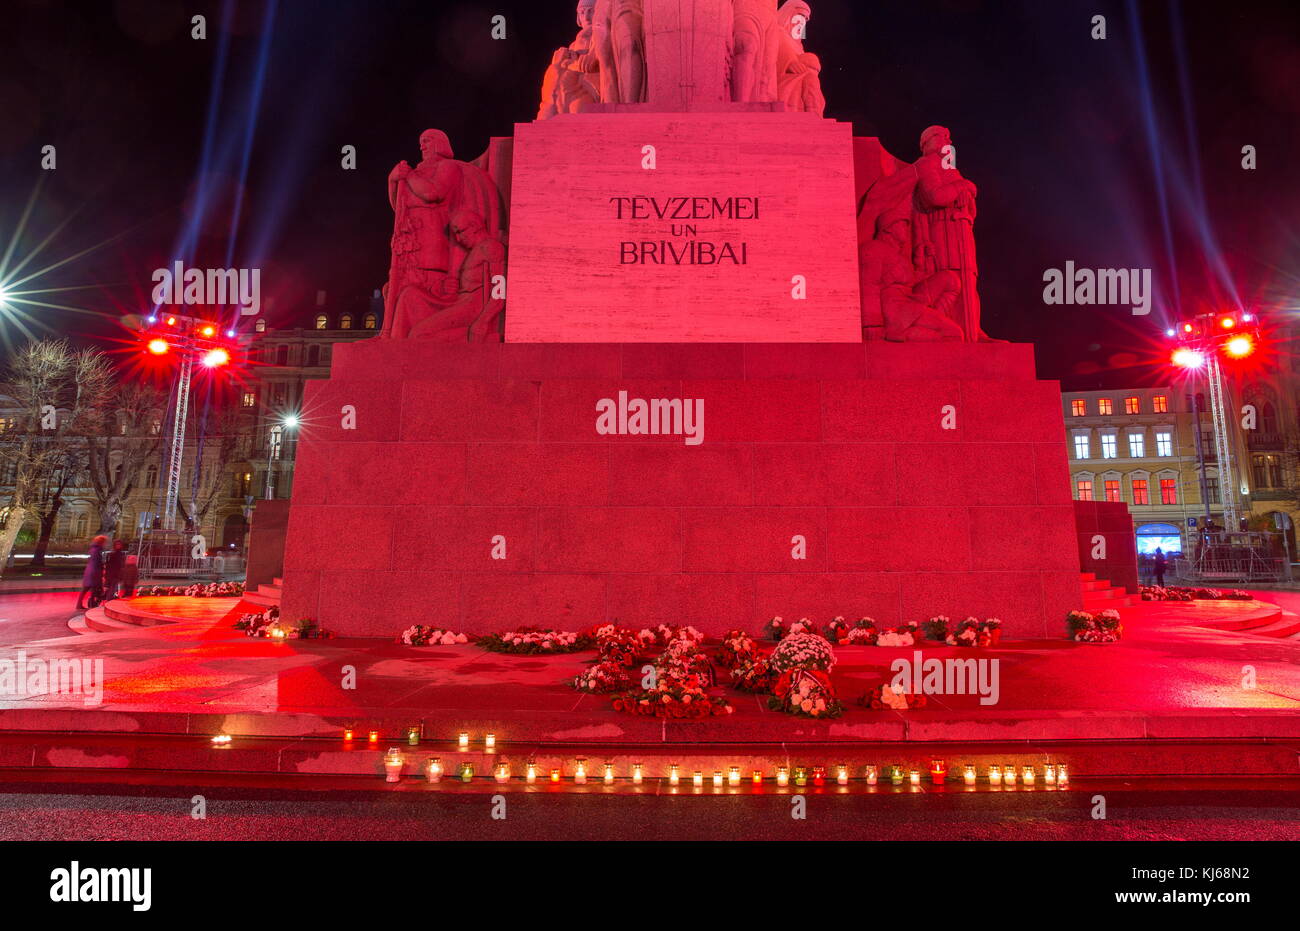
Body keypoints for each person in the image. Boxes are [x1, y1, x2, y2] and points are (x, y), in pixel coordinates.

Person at [76, 535, 108, 610]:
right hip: (94, 572)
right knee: (93, 589)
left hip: (90, 571)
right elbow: (97, 562)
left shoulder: (93, 549)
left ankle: (80, 604)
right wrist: (102, 568)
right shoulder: (97, 550)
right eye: (104, 542)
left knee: (86, 589)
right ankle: (91, 605)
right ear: (101, 542)